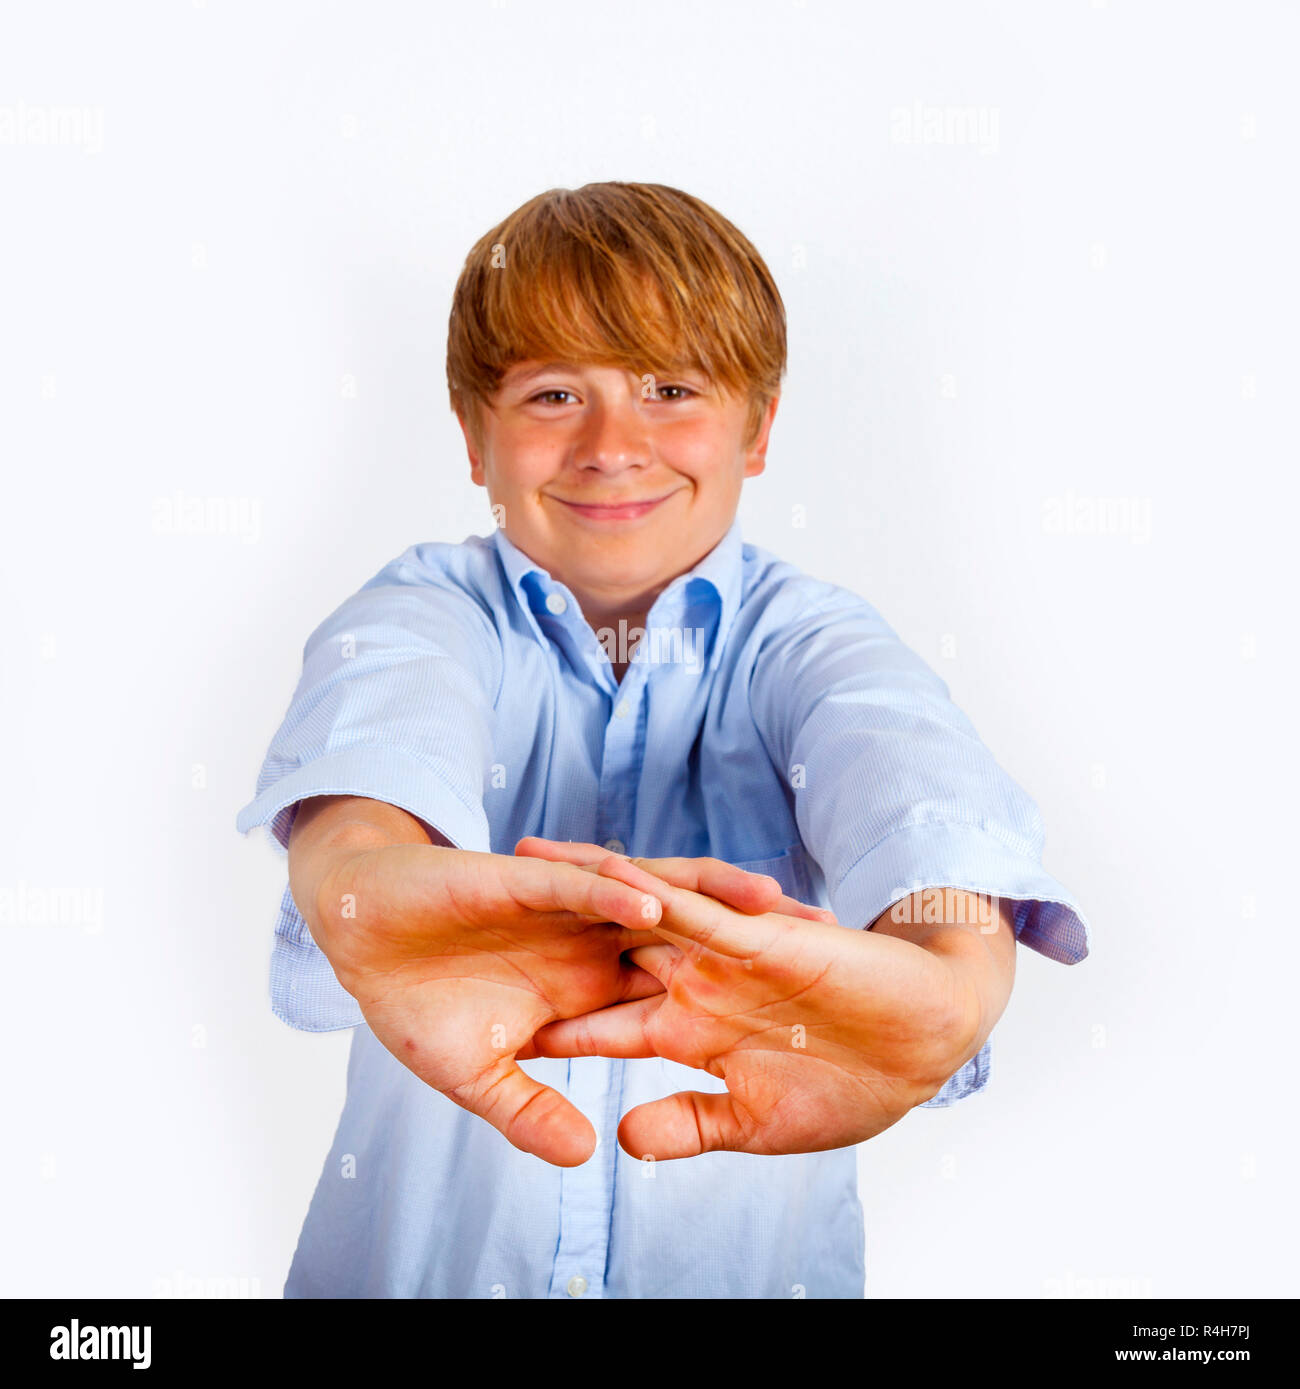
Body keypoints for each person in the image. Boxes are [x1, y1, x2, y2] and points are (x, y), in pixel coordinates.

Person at [235, 180, 1089, 1299]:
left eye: (670, 388)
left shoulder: (813, 643)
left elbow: (906, 774)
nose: (611, 446)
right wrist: (359, 874)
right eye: (551, 395)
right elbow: (378, 750)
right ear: (473, 439)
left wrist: (954, 976)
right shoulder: (423, 608)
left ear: (760, 428)